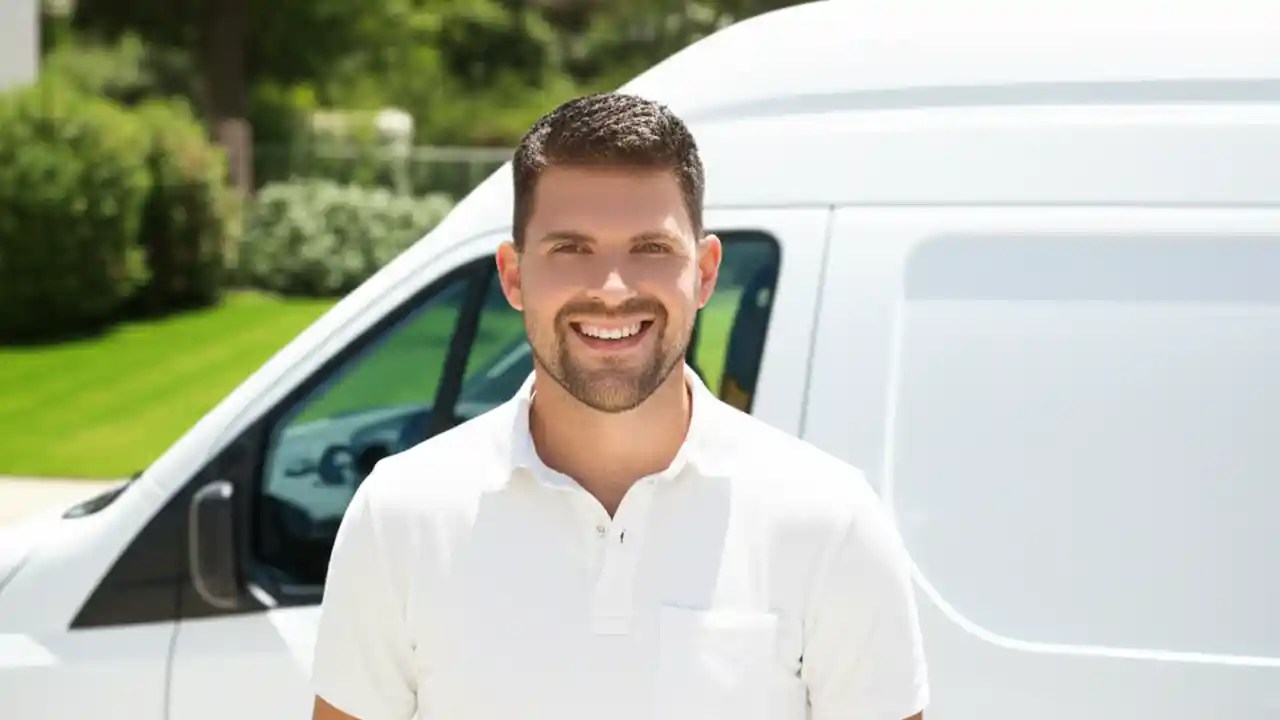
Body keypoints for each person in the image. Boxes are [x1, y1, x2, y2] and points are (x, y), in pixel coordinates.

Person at [311, 92, 929, 720]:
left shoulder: (831, 521)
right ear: (514, 275)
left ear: (706, 271)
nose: (612, 290)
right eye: (572, 249)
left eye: (651, 249)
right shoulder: (400, 514)